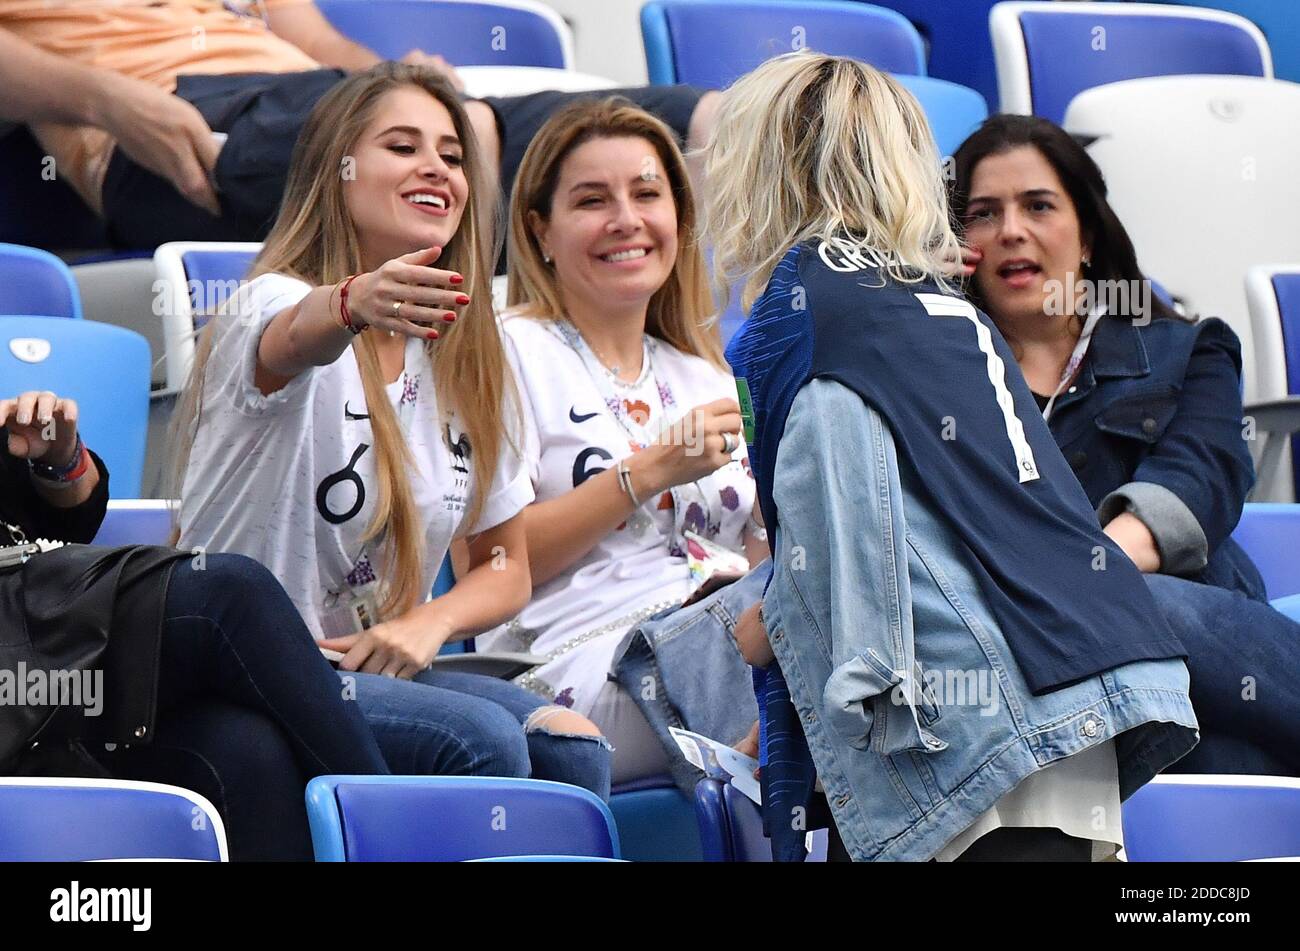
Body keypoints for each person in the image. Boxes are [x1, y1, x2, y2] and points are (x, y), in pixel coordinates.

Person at [710, 53, 1198, 862]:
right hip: (1074, 691)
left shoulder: (805, 313)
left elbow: (849, 531)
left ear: (757, 168)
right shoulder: (941, 304)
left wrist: (779, 632)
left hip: (965, 727)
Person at [173, 62, 609, 798]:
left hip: (368, 666)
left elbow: (505, 563)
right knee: (483, 741)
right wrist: (352, 301)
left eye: (451, 153)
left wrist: (428, 623)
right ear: (337, 171)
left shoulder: (474, 349)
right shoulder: (269, 299)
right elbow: (293, 337)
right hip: (239, 666)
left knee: (572, 746)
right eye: (403, 147)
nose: (436, 166)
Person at [949, 113, 1300, 776]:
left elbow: (1201, 479)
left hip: (1181, 634)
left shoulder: (1190, 350)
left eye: (1038, 205)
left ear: (1086, 236)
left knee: (1157, 609)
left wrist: (1082, 581)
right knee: (1229, 759)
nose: (1011, 230)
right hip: (1033, 677)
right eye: (983, 214)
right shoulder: (939, 379)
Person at [480, 98, 764, 786]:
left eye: (646, 194)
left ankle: (756, 771)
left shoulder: (709, 373)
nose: (627, 220)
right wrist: (651, 469)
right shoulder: (507, 350)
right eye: (592, 200)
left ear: (678, 220)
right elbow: (487, 563)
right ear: (540, 231)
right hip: (583, 664)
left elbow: (768, 553)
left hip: (726, 637)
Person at [1, 389, 391, 860]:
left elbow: (65, 524)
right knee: (230, 593)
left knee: (245, 749)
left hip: (43, 658)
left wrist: (59, 460)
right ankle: (390, 840)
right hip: (25, 662)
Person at [0, 0, 718, 249]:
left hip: (319, 100)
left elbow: (316, 43)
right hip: (170, 118)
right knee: (459, 147)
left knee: (687, 130)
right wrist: (108, 102)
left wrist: (392, 74)